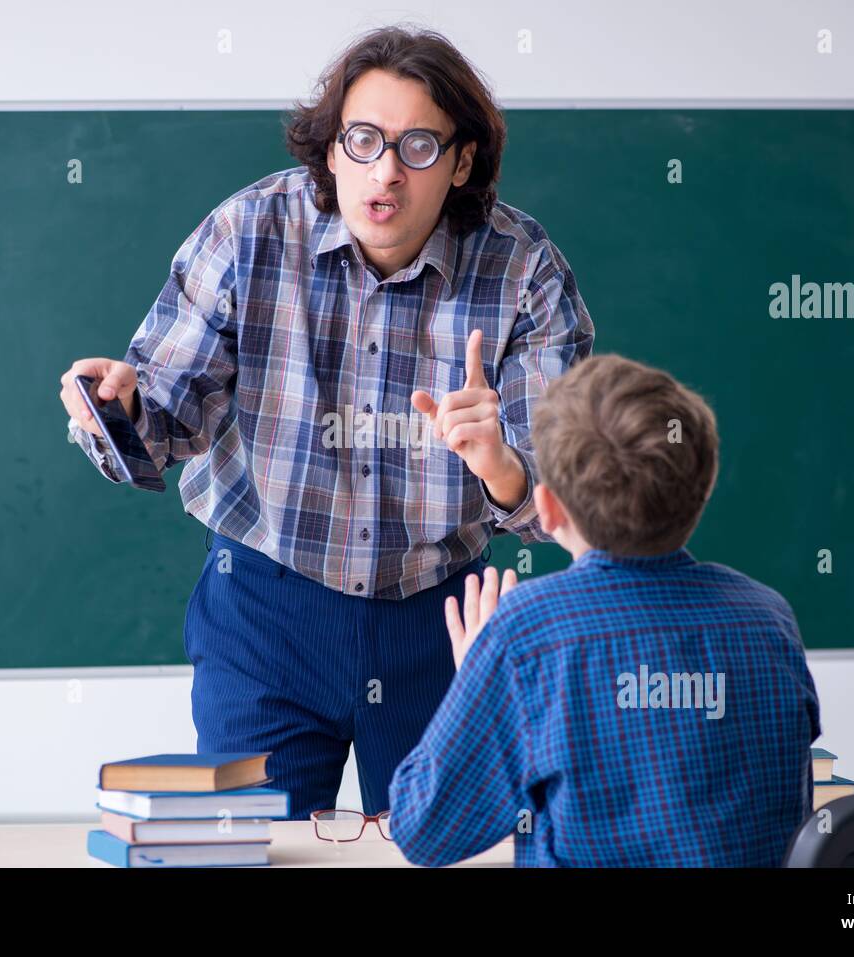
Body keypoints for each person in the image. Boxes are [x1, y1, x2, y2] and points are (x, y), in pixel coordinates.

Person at [57, 26, 594, 819]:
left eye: (417, 146)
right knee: (247, 848)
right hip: (266, 615)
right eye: (364, 139)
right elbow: (165, 419)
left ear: (461, 162)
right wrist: (124, 406)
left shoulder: (524, 269)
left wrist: (502, 466)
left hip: (440, 617)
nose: (386, 171)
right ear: (333, 149)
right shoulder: (248, 232)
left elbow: (564, 500)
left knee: (443, 846)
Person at [388, 353, 822, 866]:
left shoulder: (527, 634)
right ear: (702, 491)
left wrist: (474, 678)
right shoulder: (768, 619)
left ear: (546, 510)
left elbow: (422, 831)